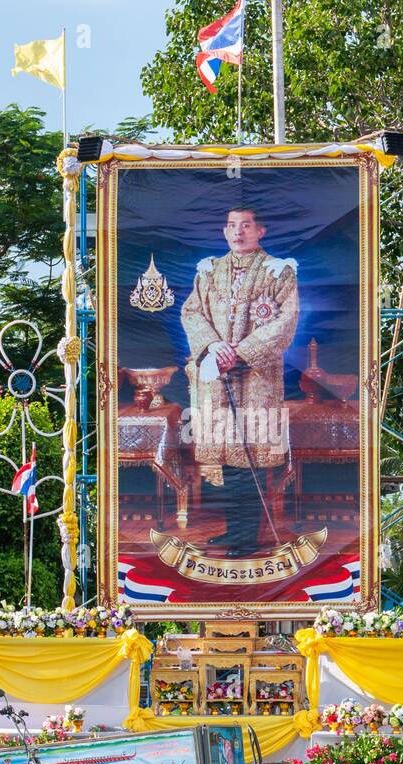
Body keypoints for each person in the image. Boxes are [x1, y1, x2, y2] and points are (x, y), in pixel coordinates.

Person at [179, 206, 299, 558]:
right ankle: (235, 531)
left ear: (261, 230)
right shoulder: (210, 271)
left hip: (257, 382)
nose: (238, 232)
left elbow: (286, 321)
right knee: (230, 462)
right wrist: (214, 346)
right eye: (232, 225)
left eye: (246, 225)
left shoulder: (278, 271)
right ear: (224, 230)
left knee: (251, 460)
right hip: (218, 380)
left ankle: (247, 538)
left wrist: (241, 352)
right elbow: (191, 312)